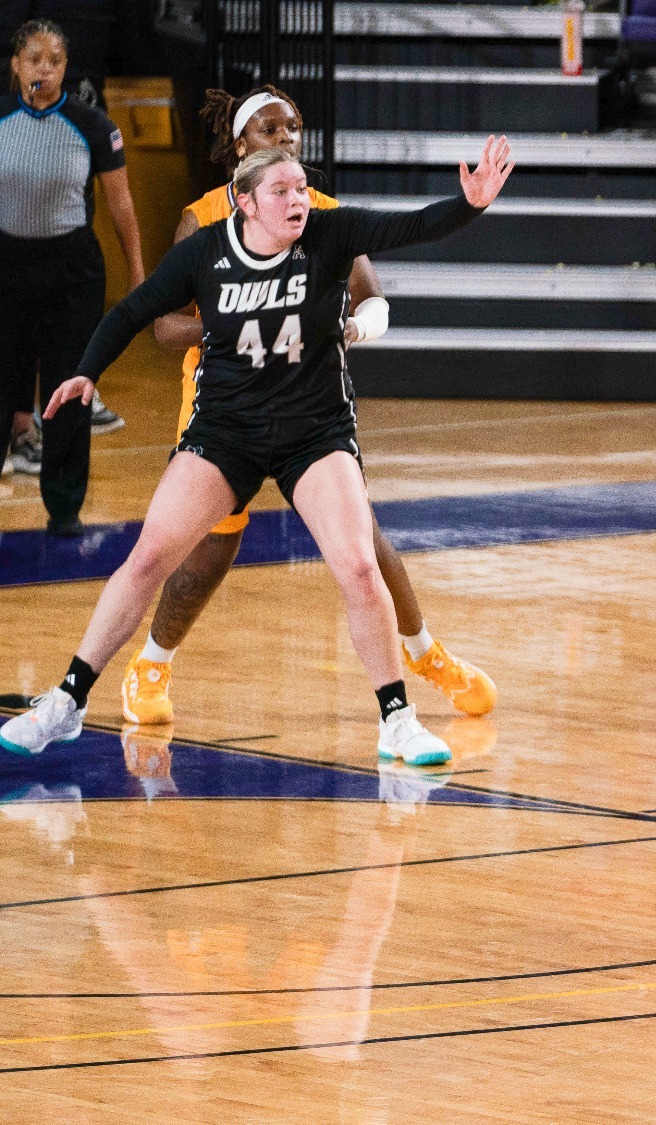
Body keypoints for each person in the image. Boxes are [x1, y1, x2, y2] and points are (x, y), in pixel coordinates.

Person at [0, 139, 516, 766]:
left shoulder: (329, 232)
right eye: (281, 191)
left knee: (359, 566)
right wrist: (88, 369)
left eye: (301, 188)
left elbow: (412, 226)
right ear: (245, 203)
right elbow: (135, 310)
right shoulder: (204, 251)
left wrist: (470, 204)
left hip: (314, 431)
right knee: (148, 558)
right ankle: (68, 701)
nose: (298, 199)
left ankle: (397, 722)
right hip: (227, 432)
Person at [121, 86, 497, 729]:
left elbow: (373, 300)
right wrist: (240, 324)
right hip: (227, 404)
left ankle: (423, 653)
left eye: (292, 127)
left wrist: (357, 326)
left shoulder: (320, 211)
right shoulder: (202, 218)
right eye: (270, 130)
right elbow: (163, 328)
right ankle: (151, 663)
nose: (286, 138)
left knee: (363, 542)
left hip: (307, 401)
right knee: (210, 551)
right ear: (240, 146)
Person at [1, 19, 147, 534]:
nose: (45, 68)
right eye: (34, 59)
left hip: (71, 272)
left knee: (68, 389)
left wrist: (138, 275)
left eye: (55, 60)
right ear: (15, 65)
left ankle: (64, 508)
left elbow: (121, 204)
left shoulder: (93, 125)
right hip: (6, 267)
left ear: (66, 68)